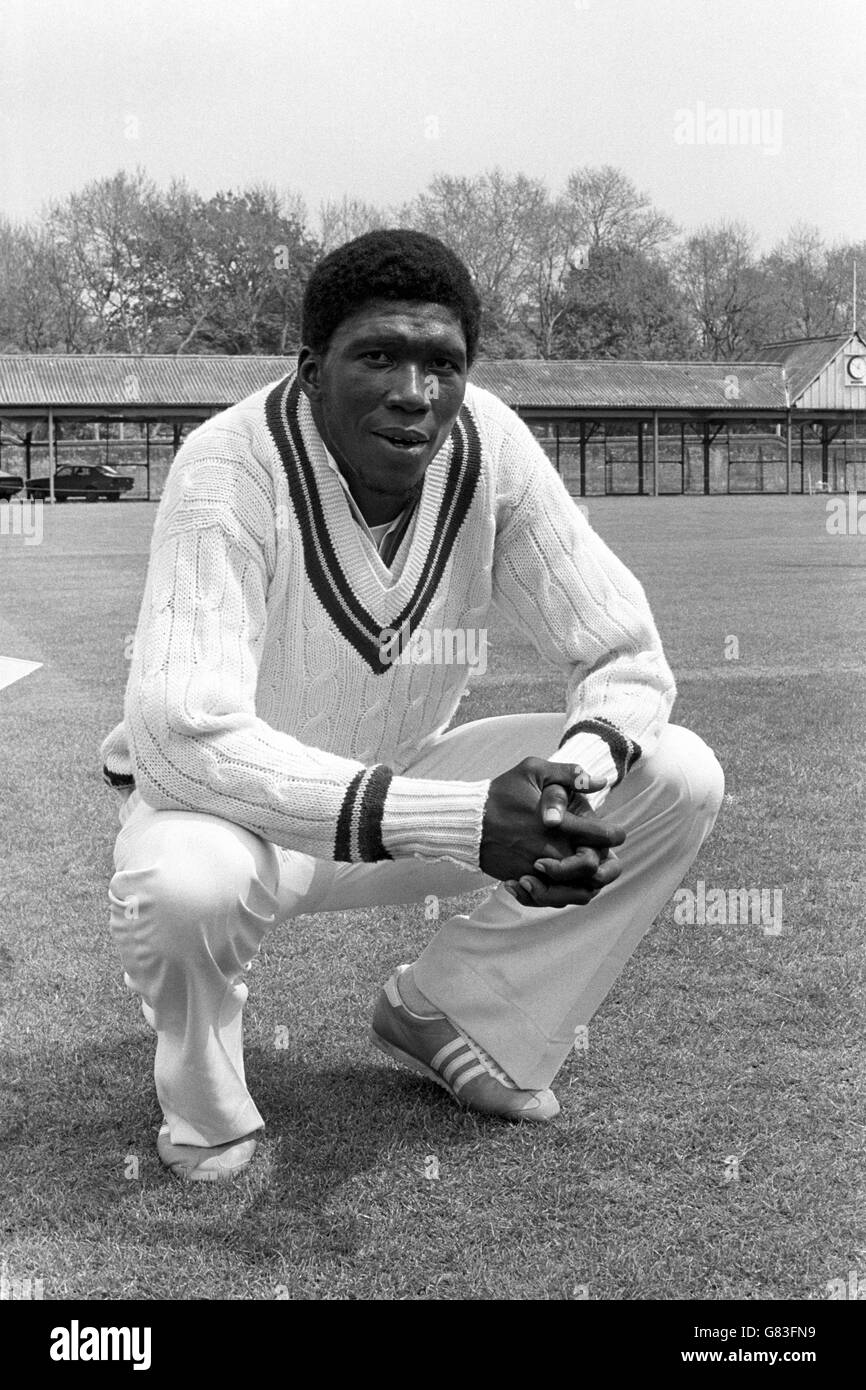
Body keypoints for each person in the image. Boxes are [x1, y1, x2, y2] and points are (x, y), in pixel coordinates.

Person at [101, 229, 724, 1181]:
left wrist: (573, 782)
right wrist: (469, 818)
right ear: (312, 369)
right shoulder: (227, 466)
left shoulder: (493, 449)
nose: (412, 392)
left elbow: (624, 657)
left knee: (675, 773)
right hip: (233, 823)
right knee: (185, 886)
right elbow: (184, 740)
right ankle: (209, 1108)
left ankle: (457, 1012)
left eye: (442, 363)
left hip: (405, 795)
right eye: (377, 356)